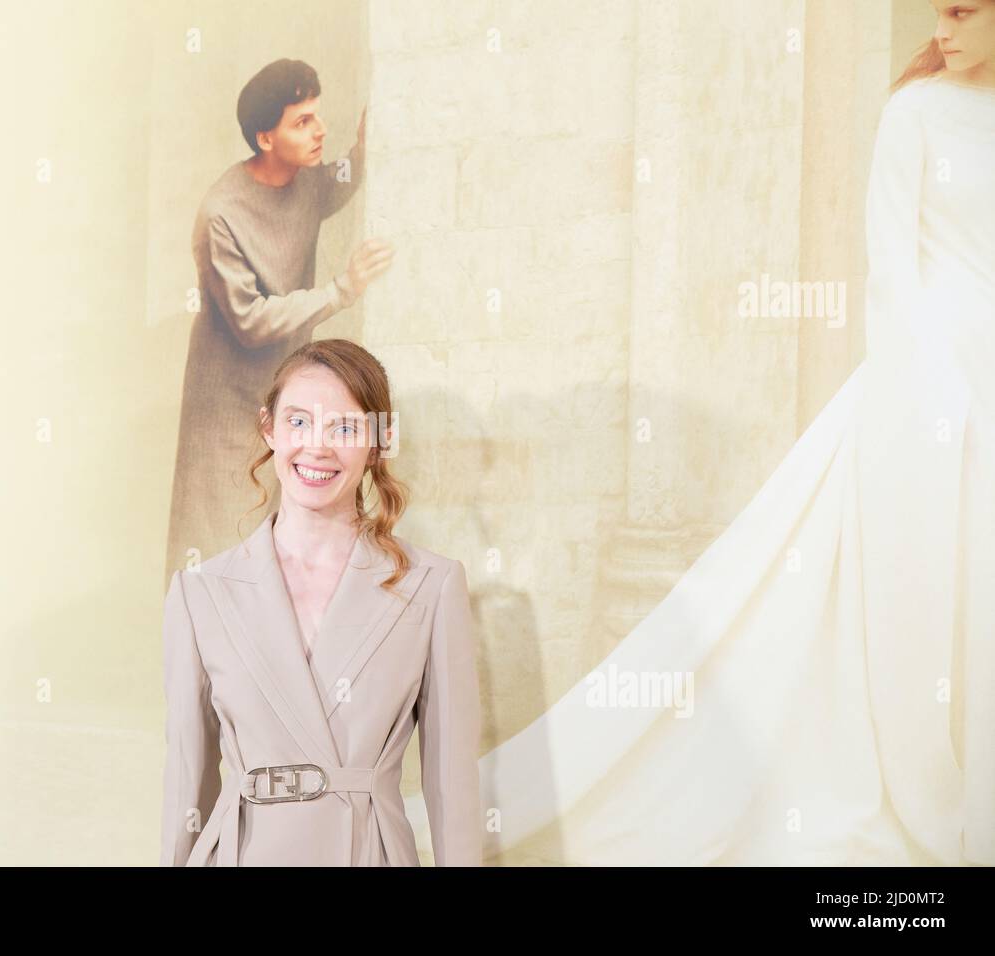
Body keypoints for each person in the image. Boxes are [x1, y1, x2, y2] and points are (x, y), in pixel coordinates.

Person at [442, 0, 995, 865]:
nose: (942, 29)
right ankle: (919, 784)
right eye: (937, 10)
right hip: (925, 386)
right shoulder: (913, 111)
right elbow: (889, 265)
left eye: (962, 12)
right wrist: (926, 394)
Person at [160, 339, 483, 866]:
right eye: (298, 422)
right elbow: (184, 789)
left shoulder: (432, 586)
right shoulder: (200, 593)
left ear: (379, 442)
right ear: (269, 428)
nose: (317, 447)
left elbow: (454, 788)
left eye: (345, 428)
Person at [163, 58, 394, 586]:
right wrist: (342, 289)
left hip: (287, 397)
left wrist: (366, 146)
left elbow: (334, 186)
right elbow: (249, 320)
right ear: (266, 138)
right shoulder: (220, 213)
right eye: (303, 122)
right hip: (225, 409)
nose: (320, 130)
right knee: (219, 544)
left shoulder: (307, 180)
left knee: (280, 542)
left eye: (318, 115)